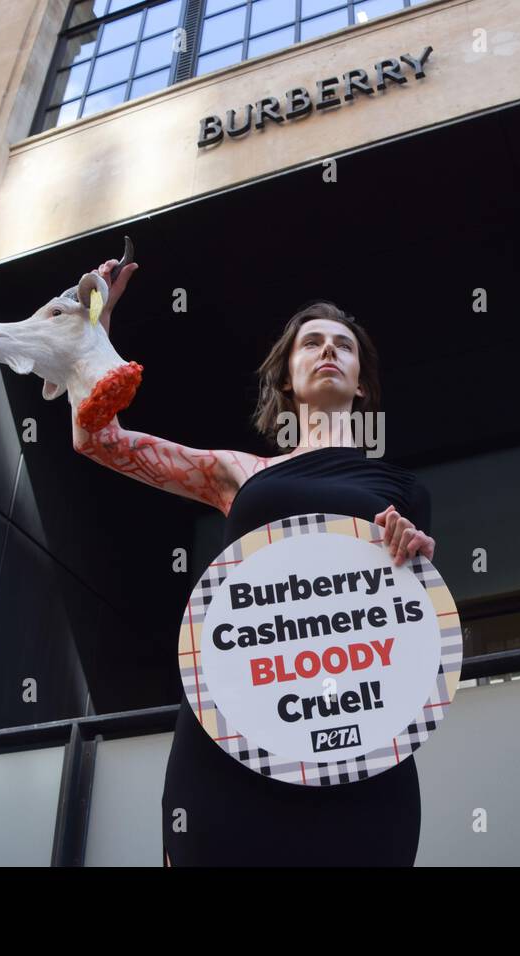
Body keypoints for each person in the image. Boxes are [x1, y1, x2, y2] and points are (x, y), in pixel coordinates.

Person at [72, 253, 436, 866]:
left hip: (358, 733)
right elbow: (99, 440)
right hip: (232, 727)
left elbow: (417, 621)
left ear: (362, 381)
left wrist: (415, 550)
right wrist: (91, 333)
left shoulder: (405, 492)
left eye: (343, 346)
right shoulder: (238, 472)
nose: (328, 351)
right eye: (311, 343)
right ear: (287, 377)